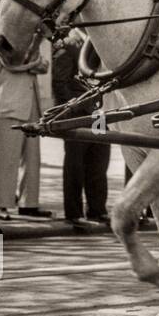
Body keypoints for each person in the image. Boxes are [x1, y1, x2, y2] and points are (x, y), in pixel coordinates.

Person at [52, 28, 110, 229]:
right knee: (75, 165)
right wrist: (72, 110)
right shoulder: (68, 46)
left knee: (99, 160)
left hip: (99, 114)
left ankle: (97, 209)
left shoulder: (101, 45)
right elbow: (60, 83)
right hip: (78, 114)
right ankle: (73, 212)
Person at [0, 35, 53, 221]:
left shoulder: (28, 42)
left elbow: (44, 66)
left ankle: (29, 203)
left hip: (32, 104)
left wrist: (31, 63)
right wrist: (32, 63)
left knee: (32, 157)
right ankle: (2, 204)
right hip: (10, 103)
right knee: (6, 157)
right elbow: (12, 64)